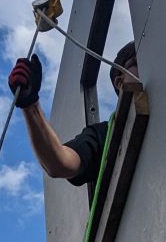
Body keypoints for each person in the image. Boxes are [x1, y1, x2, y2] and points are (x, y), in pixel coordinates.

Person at [7, 41, 141, 187]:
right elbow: (59, 163)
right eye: (136, 61)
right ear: (120, 83)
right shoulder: (105, 134)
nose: (145, 63)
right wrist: (30, 104)